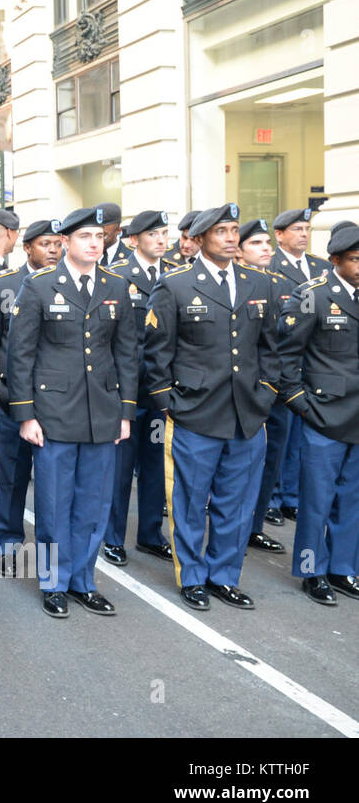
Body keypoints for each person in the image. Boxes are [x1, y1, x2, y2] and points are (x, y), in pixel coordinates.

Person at [144, 203, 277, 612]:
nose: (231, 237)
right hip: (195, 412)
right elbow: (156, 353)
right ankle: (193, 577)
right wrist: (170, 404)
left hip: (247, 414)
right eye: (221, 231)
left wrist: (266, 392)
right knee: (189, 499)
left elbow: (271, 348)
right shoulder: (177, 284)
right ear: (199, 240)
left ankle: (224, 576)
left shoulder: (260, 282)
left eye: (235, 230)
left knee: (236, 503)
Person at [6, 207, 137, 617]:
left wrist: (125, 413)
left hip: (102, 412)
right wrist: (26, 415)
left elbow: (127, 353)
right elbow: (20, 354)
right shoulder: (40, 286)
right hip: (53, 414)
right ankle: (53, 582)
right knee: (53, 505)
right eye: (85, 237)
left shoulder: (116, 287)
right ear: (65, 243)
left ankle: (83, 580)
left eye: (99, 237)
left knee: (93, 504)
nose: (95, 243)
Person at [276, 223, 359, 605]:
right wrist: (300, 403)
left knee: (352, 498)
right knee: (316, 499)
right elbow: (286, 355)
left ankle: (344, 568)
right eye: (355, 259)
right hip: (323, 414)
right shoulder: (312, 296)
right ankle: (312, 570)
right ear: (335, 260)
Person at [0, 220, 62, 574]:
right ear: (27, 247)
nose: (53, 250)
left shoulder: (67, 284)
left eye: (56, 244)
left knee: (54, 486)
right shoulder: (1, 285)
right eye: (45, 244)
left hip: (57, 405)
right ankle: (8, 543)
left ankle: (53, 556)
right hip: (11, 401)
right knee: (11, 477)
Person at [103, 210, 174, 566]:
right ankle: (113, 537)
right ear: (134, 241)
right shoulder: (116, 277)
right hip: (125, 391)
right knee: (119, 469)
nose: (161, 240)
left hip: (160, 391)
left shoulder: (176, 275)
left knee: (155, 467)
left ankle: (150, 533)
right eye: (153, 234)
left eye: (164, 233)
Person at [270, 208, 330, 523]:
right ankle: (273, 497)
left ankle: (291, 495)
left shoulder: (321, 267)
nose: (304, 234)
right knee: (281, 433)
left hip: (318, 364)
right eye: (297, 229)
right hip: (287, 363)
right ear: (279, 235)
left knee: (302, 436)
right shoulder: (271, 267)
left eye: (307, 228)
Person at [237, 219, 291, 554]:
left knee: (271, 460)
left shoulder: (281, 285)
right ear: (239, 251)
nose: (266, 248)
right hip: (242, 391)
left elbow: (286, 341)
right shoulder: (234, 286)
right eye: (256, 243)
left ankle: (255, 524)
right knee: (235, 466)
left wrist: (275, 387)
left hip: (276, 389)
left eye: (266, 242)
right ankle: (234, 526)